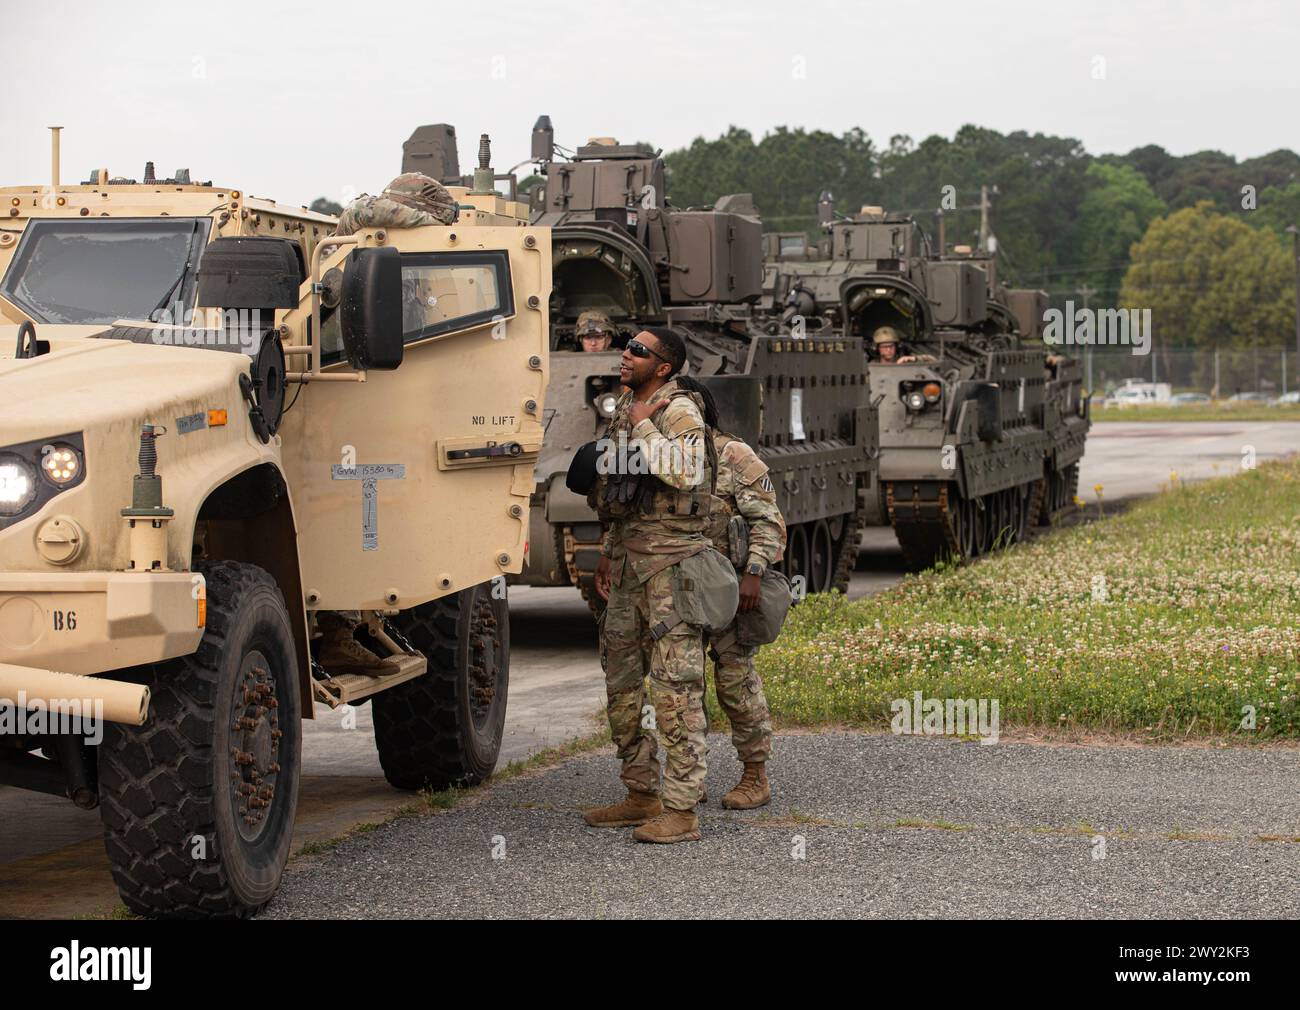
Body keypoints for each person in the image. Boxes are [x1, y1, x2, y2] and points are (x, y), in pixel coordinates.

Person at [584, 327, 718, 844]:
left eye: (638, 351)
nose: (626, 354)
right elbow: (622, 490)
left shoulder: (676, 410)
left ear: (663, 366)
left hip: (670, 565)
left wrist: (644, 429)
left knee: (675, 687)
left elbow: (686, 473)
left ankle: (682, 811)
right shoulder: (624, 406)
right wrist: (608, 552)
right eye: (627, 347)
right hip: (627, 565)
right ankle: (641, 792)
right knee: (620, 680)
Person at [676, 376, 785, 809]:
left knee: (735, 681)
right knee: (681, 686)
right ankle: (687, 778)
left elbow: (769, 521)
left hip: (729, 587)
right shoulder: (663, 458)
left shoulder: (732, 454)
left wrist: (754, 572)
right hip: (678, 588)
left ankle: (755, 775)